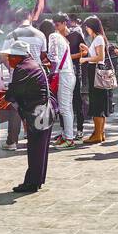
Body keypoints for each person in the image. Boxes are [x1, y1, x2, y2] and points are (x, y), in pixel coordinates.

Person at [0, 40, 52, 193]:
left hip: (38, 113)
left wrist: (6, 99)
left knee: (35, 148)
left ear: (18, 56)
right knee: (39, 148)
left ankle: (32, 183)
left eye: (11, 57)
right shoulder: (32, 64)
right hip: (43, 110)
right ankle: (37, 180)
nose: (9, 60)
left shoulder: (23, 68)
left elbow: (15, 89)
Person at [81, 15, 114, 144]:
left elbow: (100, 57)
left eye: (87, 27)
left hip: (96, 71)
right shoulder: (97, 38)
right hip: (94, 71)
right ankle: (99, 132)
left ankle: (98, 134)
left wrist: (85, 59)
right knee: (98, 103)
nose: (86, 30)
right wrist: (87, 50)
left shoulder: (99, 38)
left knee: (97, 103)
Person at [47, 15, 77, 148]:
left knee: (64, 108)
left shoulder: (53, 37)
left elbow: (54, 58)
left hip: (64, 75)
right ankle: (66, 135)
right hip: (68, 74)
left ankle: (69, 138)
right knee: (67, 107)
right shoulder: (61, 38)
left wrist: (52, 72)